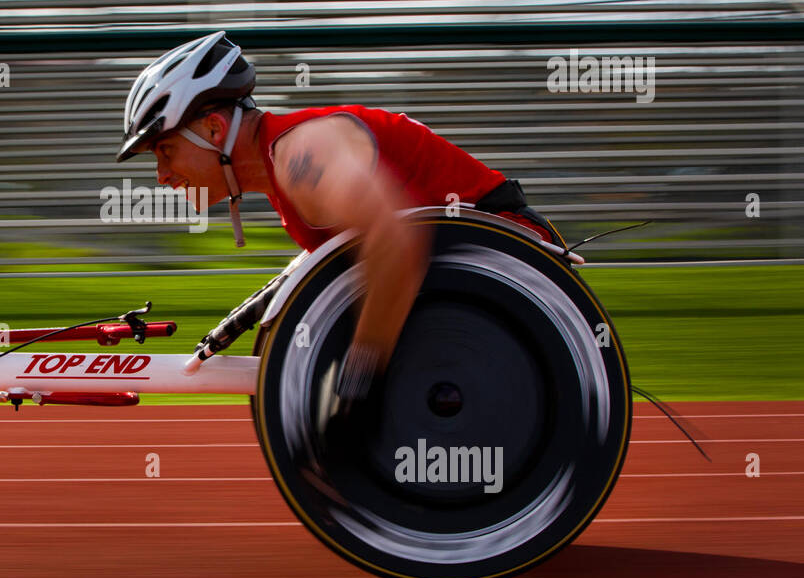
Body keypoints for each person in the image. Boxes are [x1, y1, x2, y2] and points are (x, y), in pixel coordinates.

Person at [115, 31, 568, 412]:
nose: (162, 175)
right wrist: (268, 297)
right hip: (472, 279)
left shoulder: (299, 157)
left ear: (214, 130)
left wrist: (356, 385)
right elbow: (355, 247)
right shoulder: (284, 170)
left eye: (165, 150)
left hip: (513, 272)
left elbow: (394, 247)